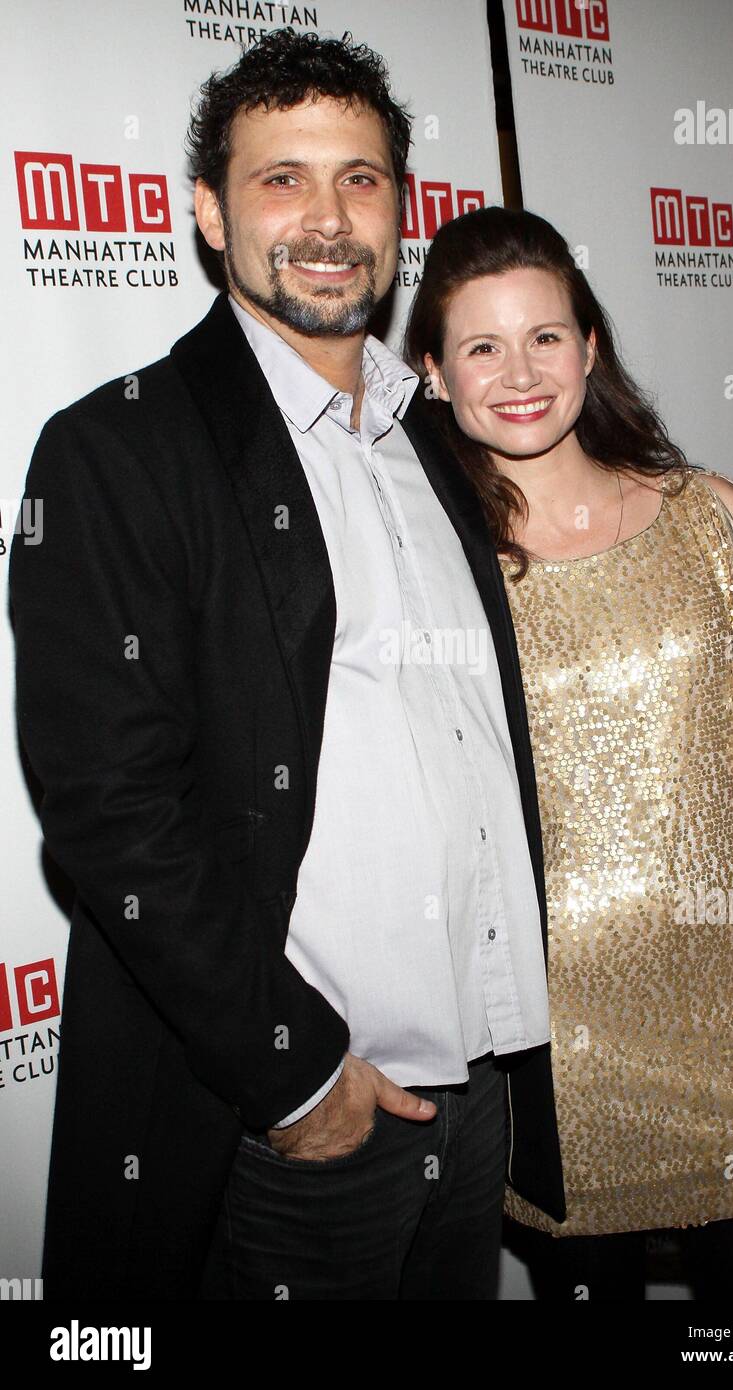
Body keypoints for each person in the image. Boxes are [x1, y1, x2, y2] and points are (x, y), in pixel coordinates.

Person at [8, 32, 566, 1302]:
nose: (326, 219)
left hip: (474, 1094)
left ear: (401, 207)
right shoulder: (116, 450)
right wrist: (298, 1077)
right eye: (282, 179)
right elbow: (109, 807)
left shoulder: (437, 437)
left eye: (360, 179)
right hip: (297, 1118)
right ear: (207, 211)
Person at [405, 205, 733, 1300]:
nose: (519, 372)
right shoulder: (436, 571)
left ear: (590, 345)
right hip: (563, 1048)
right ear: (432, 373)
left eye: (545, 336)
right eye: (481, 346)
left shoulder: (709, 515)